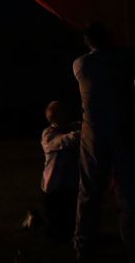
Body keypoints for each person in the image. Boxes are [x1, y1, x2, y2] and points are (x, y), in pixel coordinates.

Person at [73, 23, 135, 261]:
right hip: (122, 129)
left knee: (88, 189)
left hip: (93, 131)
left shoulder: (80, 64)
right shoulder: (122, 60)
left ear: (87, 42)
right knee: (127, 187)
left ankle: (83, 243)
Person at [40, 100, 81, 241]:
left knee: (69, 223)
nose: (68, 113)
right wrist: (86, 130)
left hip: (69, 186)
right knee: (54, 229)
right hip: (54, 188)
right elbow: (65, 141)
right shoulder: (48, 134)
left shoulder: (70, 128)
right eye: (63, 111)